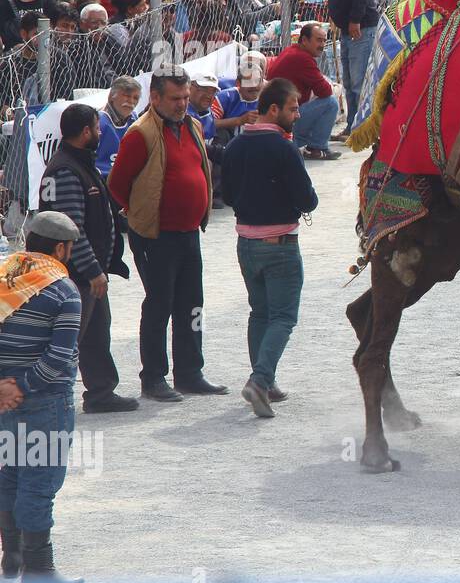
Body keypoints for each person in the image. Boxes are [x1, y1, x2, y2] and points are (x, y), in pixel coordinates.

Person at [107, 63, 226, 403]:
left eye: (186, 97)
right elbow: (117, 184)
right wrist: (140, 213)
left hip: (189, 232)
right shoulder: (140, 134)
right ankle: (154, 378)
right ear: (155, 97)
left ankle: (190, 373)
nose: (182, 104)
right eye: (175, 98)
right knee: (159, 304)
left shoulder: (192, 125)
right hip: (156, 236)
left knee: (192, 305)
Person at [220, 78, 318, 418]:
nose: (298, 114)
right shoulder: (284, 148)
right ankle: (260, 381)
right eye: (293, 108)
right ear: (273, 109)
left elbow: (228, 195)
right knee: (283, 316)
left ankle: (266, 381)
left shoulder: (234, 147)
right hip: (280, 247)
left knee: (259, 313)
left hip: (246, 243)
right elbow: (308, 200)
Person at [0, 211, 86, 583]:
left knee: (8, 476)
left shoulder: (4, 278)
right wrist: (23, 386)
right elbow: (58, 359)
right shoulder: (64, 291)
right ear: (62, 248)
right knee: (39, 483)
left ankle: (11, 557)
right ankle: (38, 572)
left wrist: (4, 389)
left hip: (3, 403)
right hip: (46, 403)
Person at [38, 104, 135, 414]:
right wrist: (93, 271)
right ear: (85, 133)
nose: (100, 132)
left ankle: (100, 391)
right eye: (96, 127)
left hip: (85, 272)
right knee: (68, 339)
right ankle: (47, 398)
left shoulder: (77, 161)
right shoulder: (67, 169)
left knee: (96, 332)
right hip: (76, 276)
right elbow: (70, 231)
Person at [322, 0, 379, 135]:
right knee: (349, 81)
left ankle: (362, 127)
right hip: (349, 29)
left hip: (360, 28)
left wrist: (355, 19)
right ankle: (353, 125)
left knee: (358, 81)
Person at [266, 22, 340, 160]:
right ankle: (316, 147)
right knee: (331, 103)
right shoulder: (302, 58)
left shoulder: (293, 50)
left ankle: (308, 143)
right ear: (305, 40)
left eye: (324, 40)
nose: (322, 45)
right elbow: (325, 91)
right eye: (318, 40)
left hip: (278, 115)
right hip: (284, 119)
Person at [96, 75, 141, 178]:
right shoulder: (98, 122)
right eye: (127, 95)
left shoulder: (134, 119)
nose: (131, 101)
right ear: (112, 96)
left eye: (135, 98)